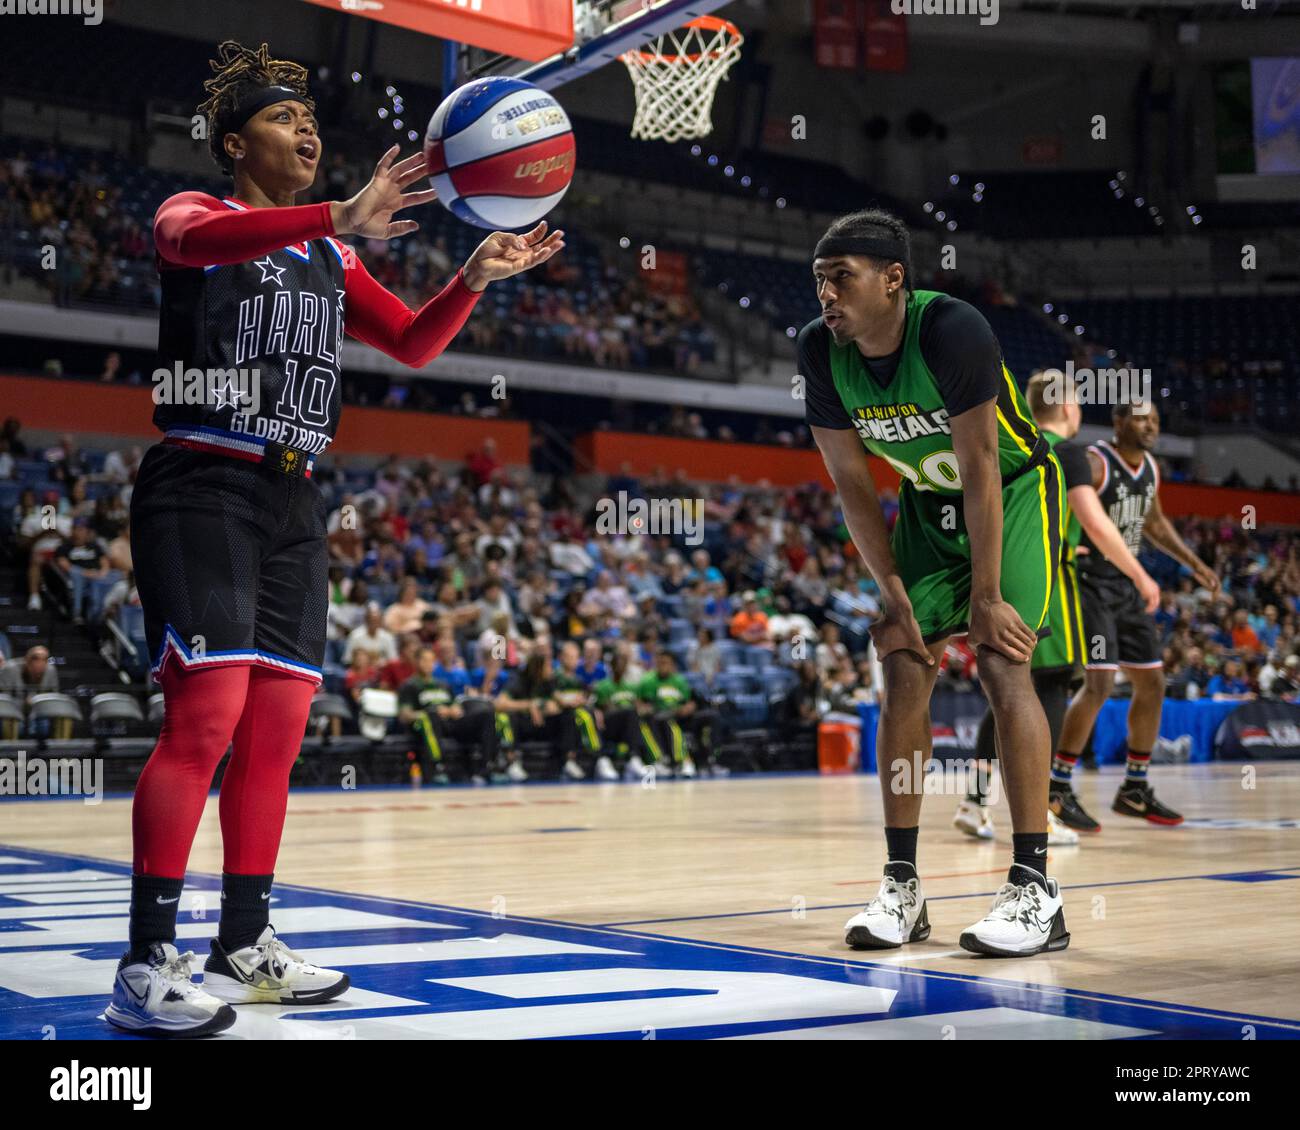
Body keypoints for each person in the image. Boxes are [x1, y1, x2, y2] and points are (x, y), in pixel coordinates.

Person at [109, 39, 564, 1038]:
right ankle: (143, 960)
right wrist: (338, 212)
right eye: (284, 119)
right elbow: (185, 246)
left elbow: (408, 339)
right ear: (234, 143)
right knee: (207, 719)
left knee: (274, 733)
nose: (307, 131)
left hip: (293, 502)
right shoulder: (200, 216)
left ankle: (243, 941)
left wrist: (476, 275)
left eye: (313, 122)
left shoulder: (328, 254)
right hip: (203, 482)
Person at [801, 207, 1068, 956]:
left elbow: (982, 465)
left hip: (1011, 491)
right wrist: (888, 589)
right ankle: (902, 886)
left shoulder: (952, 329)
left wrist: (987, 596)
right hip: (927, 503)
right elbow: (852, 483)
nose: (827, 294)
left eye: (841, 278)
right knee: (902, 664)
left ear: (892, 280)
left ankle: (1035, 888)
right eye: (820, 280)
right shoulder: (819, 353)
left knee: (1000, 659)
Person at [954, 371, 1161, 845]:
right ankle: (1040, 808)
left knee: (1006, 690)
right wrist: (1139, 573)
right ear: (1070, 410)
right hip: (1045, 580)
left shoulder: (1009, 444)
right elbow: (1099, 524)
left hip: (991, 576)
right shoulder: (1067, 452)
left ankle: (976, 799)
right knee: (1046, 686)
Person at [1051, 403, 1220, 829]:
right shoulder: (1095, 462)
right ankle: (1058, 783)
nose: (1152, 427)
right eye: (1143, 418)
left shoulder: (1150, 468)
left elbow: (1155, 524)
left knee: (1153, 681)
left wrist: (1192, 563)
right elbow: (1064, 506)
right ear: (1119, 422)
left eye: (1157, 421)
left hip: (1128, 587)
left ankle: (1135, 787)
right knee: (1100, 682)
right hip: (1091, 583)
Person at [398, 646, 498, 785]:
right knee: (430, 717)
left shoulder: (442, 684)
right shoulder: (410, 685)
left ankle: (487, 766)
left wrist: (453, 709)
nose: (428, 664)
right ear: (416, 662)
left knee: (486, 715)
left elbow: (454, 704)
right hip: (427, 725)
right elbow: (405, 715)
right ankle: (437, 766)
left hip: (450, 723)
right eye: (424, 660)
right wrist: (432, 711)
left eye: (431, 661)